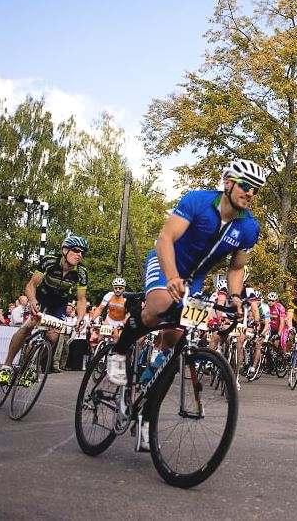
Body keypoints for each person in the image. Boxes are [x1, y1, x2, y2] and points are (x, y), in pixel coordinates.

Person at [106, 158, 266, 451]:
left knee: (176, 342)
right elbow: (165, 238)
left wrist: (234, 297)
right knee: (160, 305)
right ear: (228, 183)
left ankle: (145, 409)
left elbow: (235, 269)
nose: (250, 193)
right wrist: (170, 277)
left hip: (194, 279)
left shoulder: (248, 228)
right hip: (166, 262)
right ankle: (118, 350)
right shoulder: (197, 201)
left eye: (255, 189)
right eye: (245, 186)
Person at [0, 235, 89, 385]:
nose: (80, 255)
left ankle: (32, 367)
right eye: (76, 251)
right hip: (42, 297)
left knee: (53, 337)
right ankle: (7, 365)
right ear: (65, 250)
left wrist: (80, 318)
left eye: (82, 252)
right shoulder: (49, 261)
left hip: (59, 303)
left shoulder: (81, 272)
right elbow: (31, 285)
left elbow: (81, 299)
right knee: (28, 327)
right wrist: (32, 300)